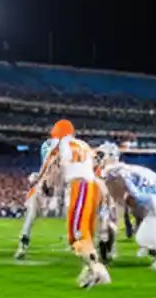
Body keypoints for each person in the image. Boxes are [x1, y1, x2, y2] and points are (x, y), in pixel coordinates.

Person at [31, 120, 110, 288]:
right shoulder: (84, 144)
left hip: (79, 187)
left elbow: (49, 166)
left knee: (76, 237)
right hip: (91, 186)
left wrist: (40, 182)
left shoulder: (61, 144)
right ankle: (92, 269)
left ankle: (97, 270)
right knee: (84, 235)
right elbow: (95, 163)